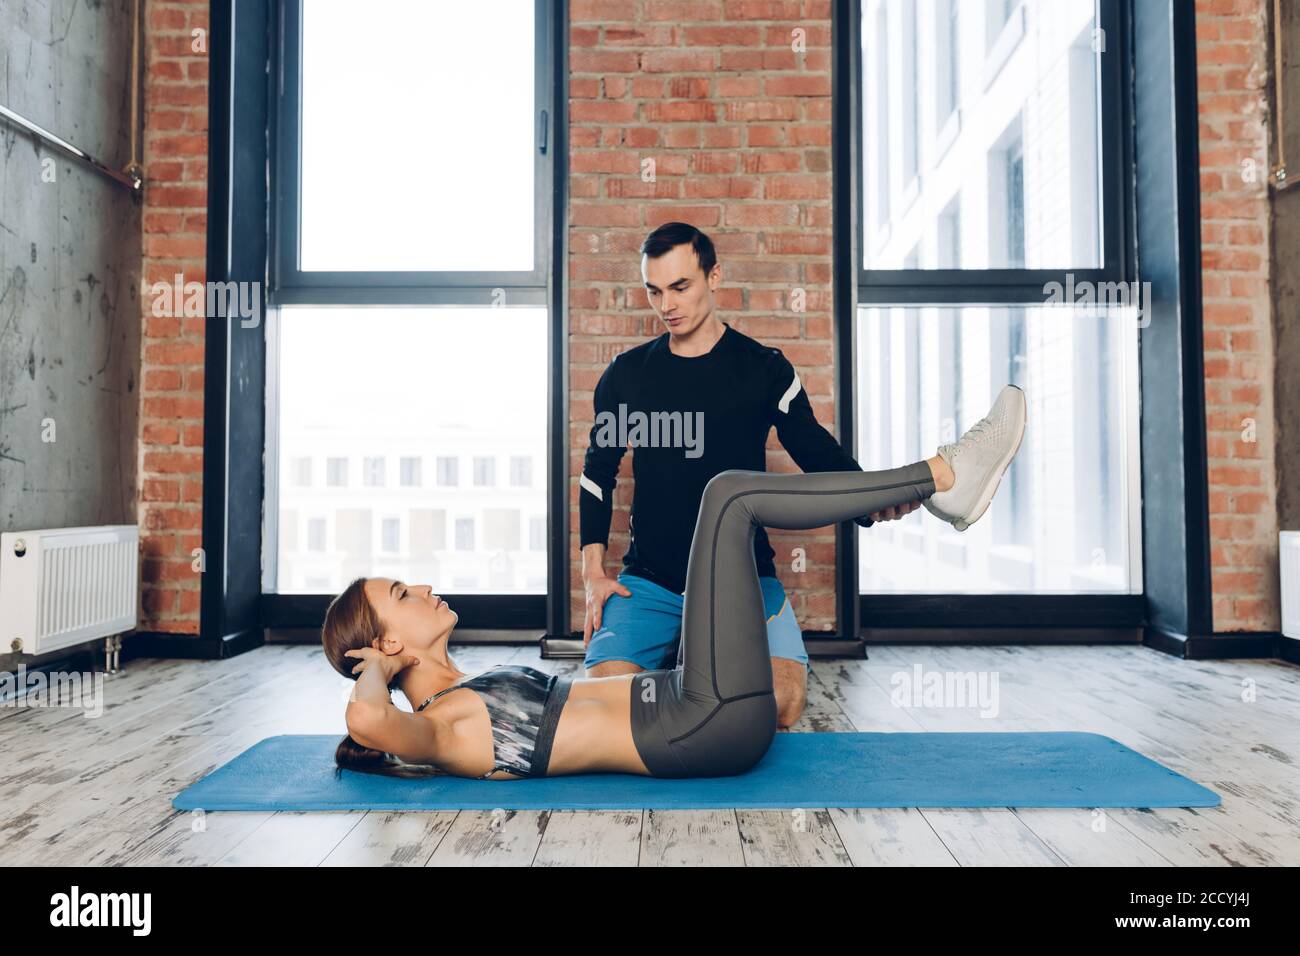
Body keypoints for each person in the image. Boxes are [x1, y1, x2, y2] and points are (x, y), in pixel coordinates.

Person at [320, 385, 1027, 780]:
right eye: (403, 595)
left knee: (723, 500)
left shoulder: (461, 694)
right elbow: (367, 721)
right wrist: (373, 672)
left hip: (695, 704)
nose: (423, 587)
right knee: (729, 498)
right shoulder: (439, 727)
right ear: (387, 642)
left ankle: (933, 483)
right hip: (704, 723)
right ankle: (944, 477)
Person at [579, 221, 918, 728]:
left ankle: (697, 670)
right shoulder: (627, 376)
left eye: (680, 287)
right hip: (650, 581)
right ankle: (691, 670)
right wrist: (592, 575)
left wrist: (869, 500)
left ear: (714, 277)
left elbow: (813, 449)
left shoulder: (764, 368)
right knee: (606, 700)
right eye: (654, 291)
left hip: (744, 579)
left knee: (781, 705)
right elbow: (597, 474)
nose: (666, 304)